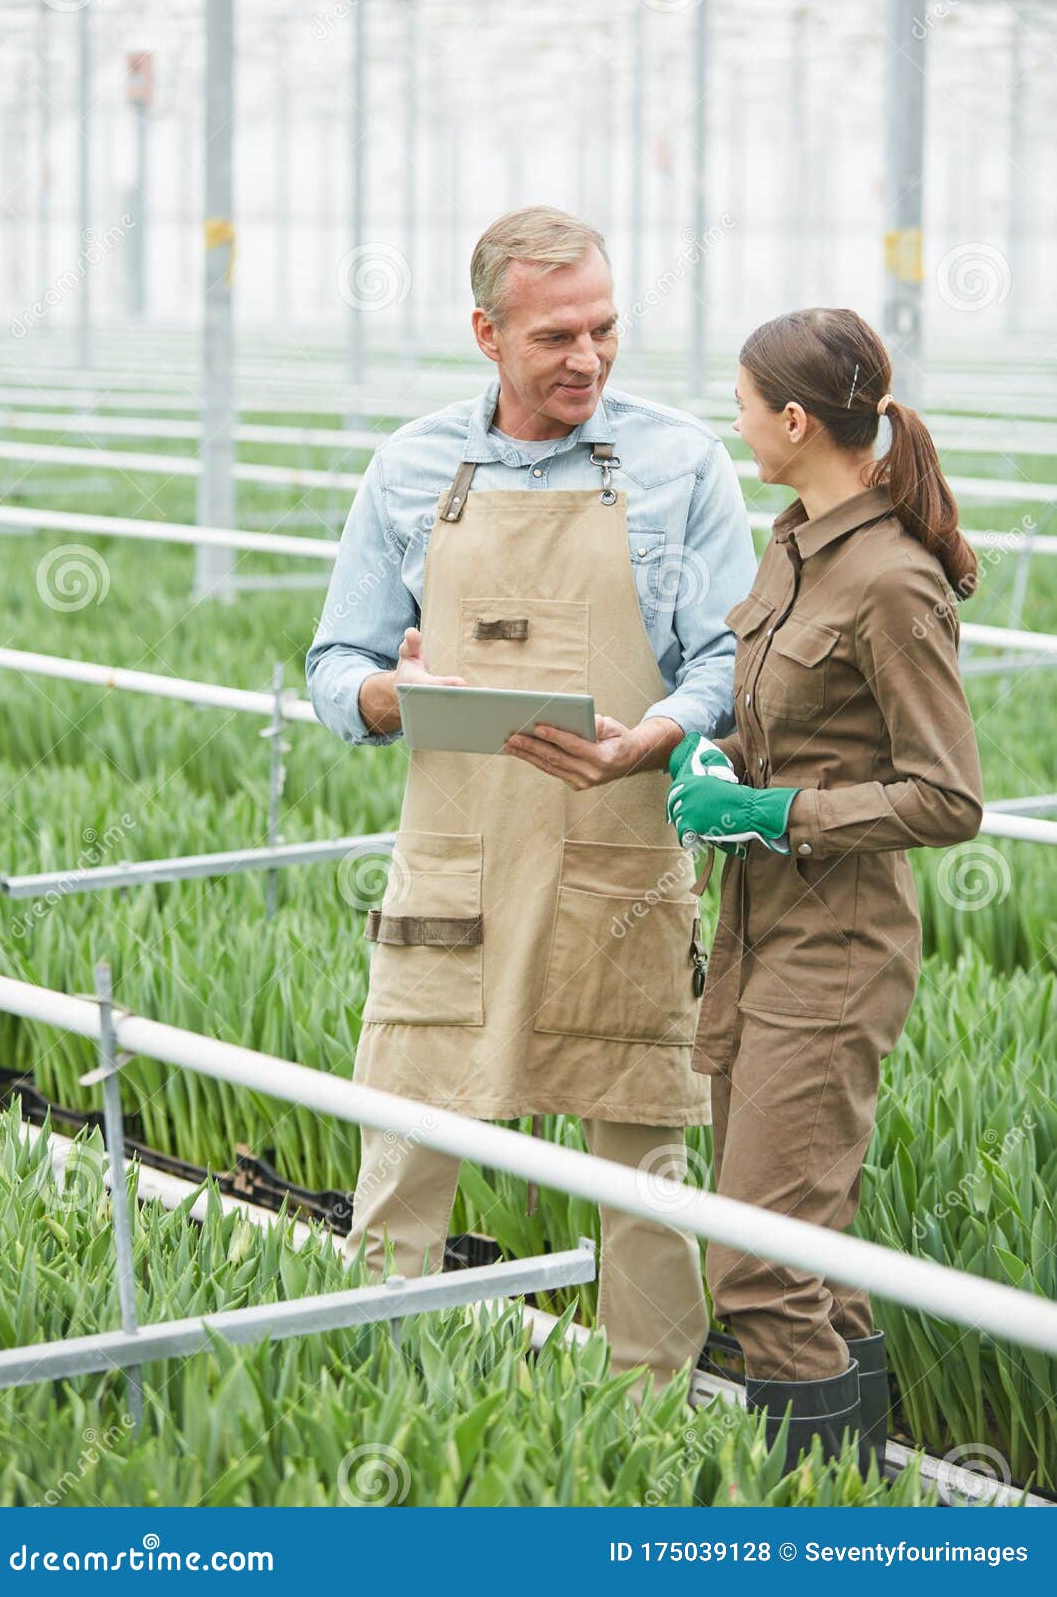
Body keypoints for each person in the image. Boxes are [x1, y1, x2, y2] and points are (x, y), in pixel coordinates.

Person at [305, 206, 758, 1395]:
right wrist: (393, 697)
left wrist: (658, 732)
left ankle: (649, 1414)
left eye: (605, 329)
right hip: (456, 865)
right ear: (485, 333)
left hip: (620, 858)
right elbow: (332, 665)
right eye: (556, 335)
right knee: (405, 1133)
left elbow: (727, 661)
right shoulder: (410, 468)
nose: (588, 359)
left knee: (642, 1156)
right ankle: (379, 1390)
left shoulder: (679, 462)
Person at [665, 307, 984, 1474]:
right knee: (800, 1252)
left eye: (744, 403)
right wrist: (719, 766)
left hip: (833, 954)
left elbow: (946, 797)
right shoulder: (791, 544)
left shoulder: (891, 581)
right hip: (754, 935)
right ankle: (856, 1509)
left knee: (752, 1259)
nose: (736, 422)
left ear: (793, 419)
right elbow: (789, 727)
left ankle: (798, 1522)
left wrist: (775, 815)